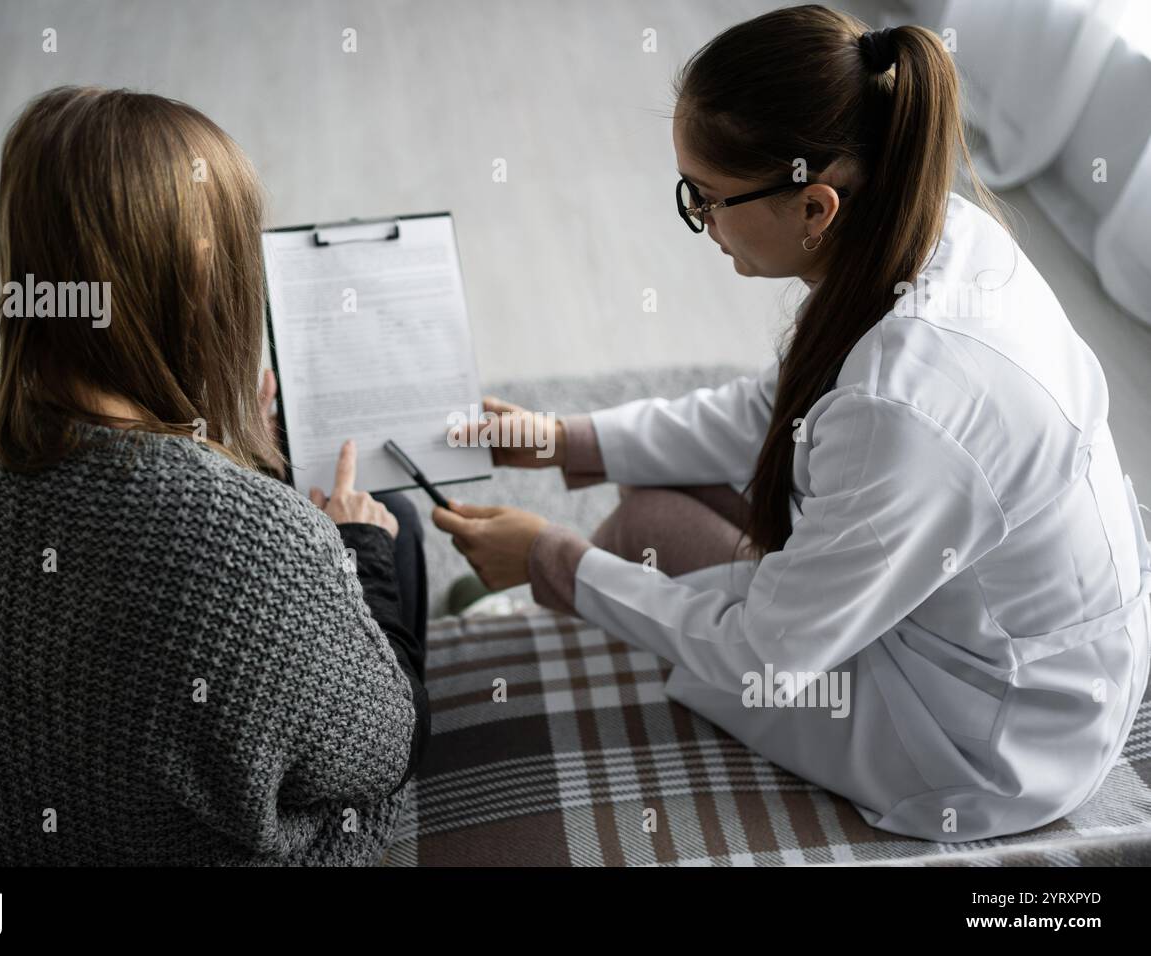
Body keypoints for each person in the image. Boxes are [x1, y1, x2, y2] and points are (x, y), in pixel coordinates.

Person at [433, 5, 1151, 842]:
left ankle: (503, 593)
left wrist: (551, 559)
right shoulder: (935, 231)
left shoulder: (906, 410)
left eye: (705, 200)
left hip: (988, 741)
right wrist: (564, 440)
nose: (700, 223)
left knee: (645, 522)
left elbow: (762, 660)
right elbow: (775, 413)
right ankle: (541, 561)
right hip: (1022, 650)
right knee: (670, 486)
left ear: (814, 208)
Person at [0, 86, 428, 865]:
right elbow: (381, 749)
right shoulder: (257, 541)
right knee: (395, 527)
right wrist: (356, 553)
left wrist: (231, 461)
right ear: (206, 276)